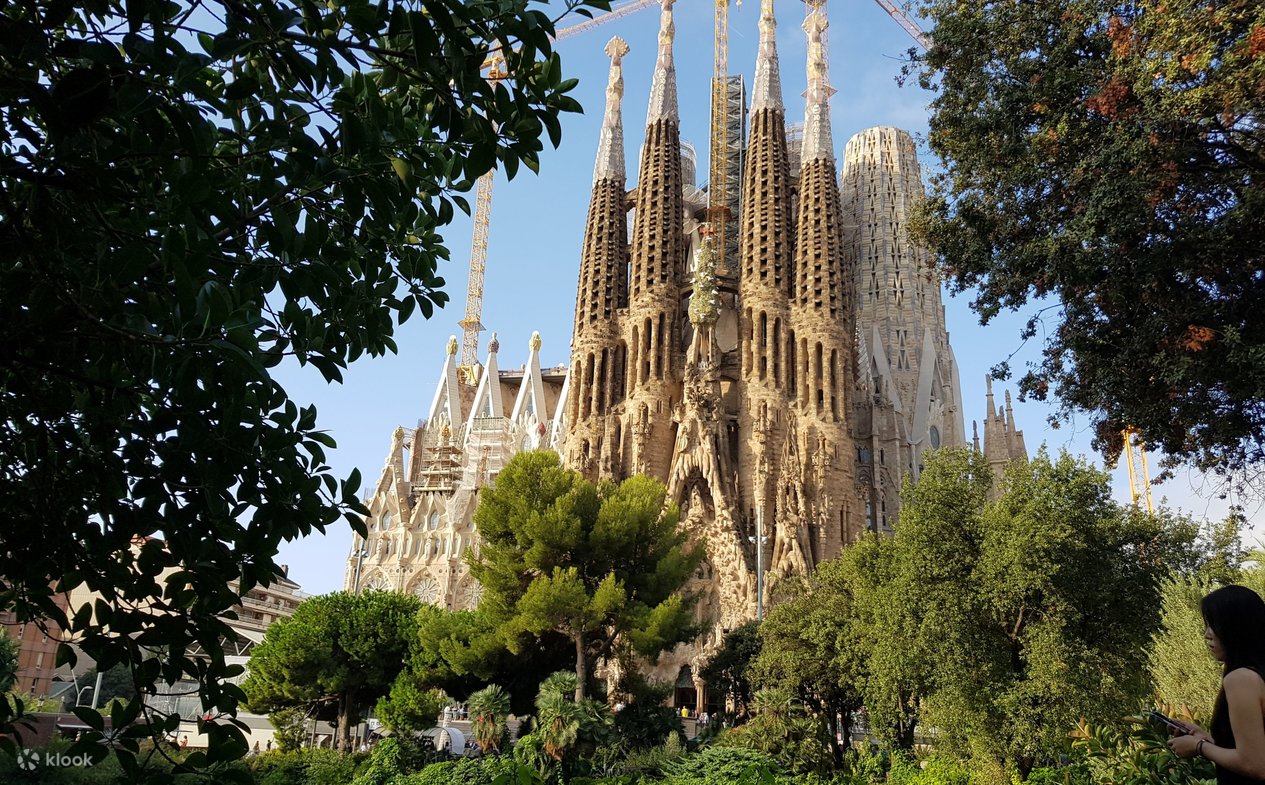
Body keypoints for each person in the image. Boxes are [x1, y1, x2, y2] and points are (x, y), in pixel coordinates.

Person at [1168, 584, 1265, 784]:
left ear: (1236, 629)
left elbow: (1255, 765)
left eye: (1214, 625)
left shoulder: (1241, 679)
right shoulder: (1257, 673)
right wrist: (1207, 740)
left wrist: (1198, 747)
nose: (1207, 634)